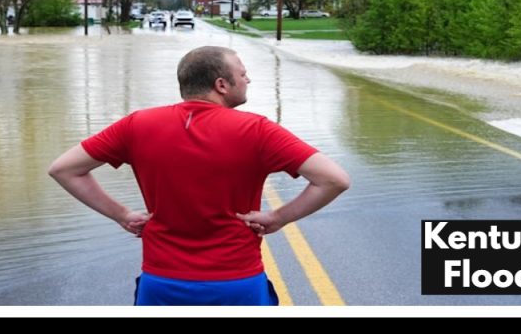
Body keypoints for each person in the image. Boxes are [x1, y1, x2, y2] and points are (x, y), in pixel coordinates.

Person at [48, 46, 350, 305]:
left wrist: (123, 215)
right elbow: (333, 179)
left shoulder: (137, 125)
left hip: (162, 282)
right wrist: (279, 218)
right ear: (222, 84)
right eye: (243, 74)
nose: (248, 80)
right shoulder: (258, 130)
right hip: (236, 283)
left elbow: (64, 169)